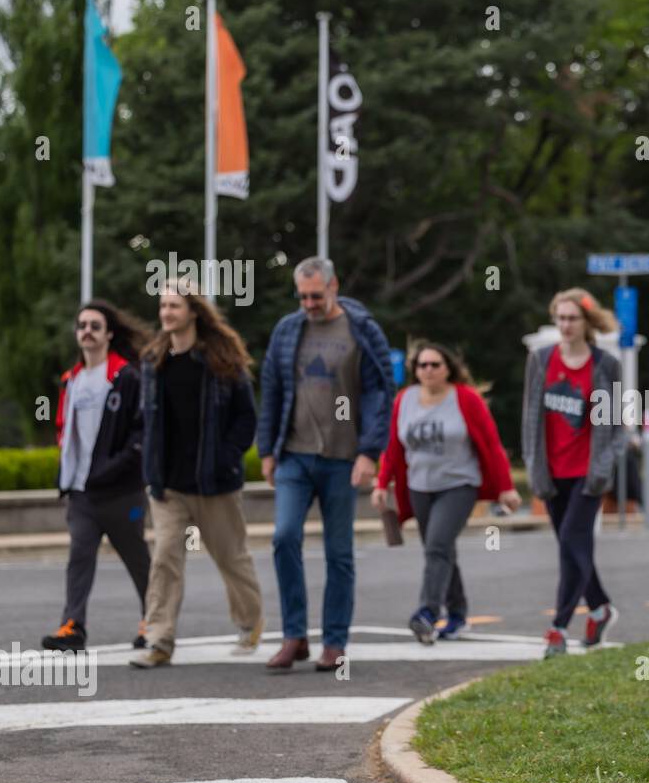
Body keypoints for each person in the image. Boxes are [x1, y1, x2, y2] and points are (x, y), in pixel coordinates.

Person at [257, 256, 393, 671]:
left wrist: (370, 452)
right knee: (283, 537)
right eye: (302, 296)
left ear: (334, 287)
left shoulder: (361, 329)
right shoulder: (288, 329)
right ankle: (294, 636)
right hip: (295, 455)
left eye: (316, 295)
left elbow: (379, 392)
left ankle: (334, 642)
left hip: (342, 458)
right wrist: (267, 450)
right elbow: (272, 389)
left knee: (339, 553)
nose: (309, 304)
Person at [129, 279, 264, 668]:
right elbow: (146, 420)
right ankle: (159, 640)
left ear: (193, 312)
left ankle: (250, 622)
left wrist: (227, 456)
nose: (166, 313)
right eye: (162, 306)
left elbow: (245, 418)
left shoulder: (222, 360)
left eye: (173, 305)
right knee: (165, 560)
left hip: (215, 483)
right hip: (169, 486)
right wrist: (150, 467)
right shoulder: (154, 361)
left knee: (230, 557)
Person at [373, 342, 521, 643]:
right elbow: (393, 447)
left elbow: (491, 444)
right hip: (419, 486)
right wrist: (381, 484)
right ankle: (457, 614)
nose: (428, 370)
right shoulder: (405, 399)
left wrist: (505, 487)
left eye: (435, 365)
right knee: (440, 551)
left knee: (437, 546)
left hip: (458, 485)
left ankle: (427, 613)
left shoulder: (465, 399)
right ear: (416, 370)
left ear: (448, 369)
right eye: (422, 365)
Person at [521, 288, 626, 658]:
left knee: (571, 541)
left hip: (588, 474)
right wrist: (534, 466)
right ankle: (599, 609)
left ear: (587, 322)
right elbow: (529, 418)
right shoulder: (540, 360)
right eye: (560, 318)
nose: (565, 325)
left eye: (572, 318)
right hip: (552, 473)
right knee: (573, 546)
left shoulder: (605, 365)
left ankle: (558, 628)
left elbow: (616, 426)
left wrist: (604, 466)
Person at [42, 301, 151, 652]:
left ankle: (154, 620)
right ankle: (72, 626)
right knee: (79, 558)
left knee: (137, 557)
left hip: (122, 492)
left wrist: (113, 467)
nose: (87, 330)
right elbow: (65, 429)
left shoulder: (126, 377)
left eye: (95, 325)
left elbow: (141, 433)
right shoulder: (70, 380)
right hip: (82, 494)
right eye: (82, 325)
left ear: (109, 334)